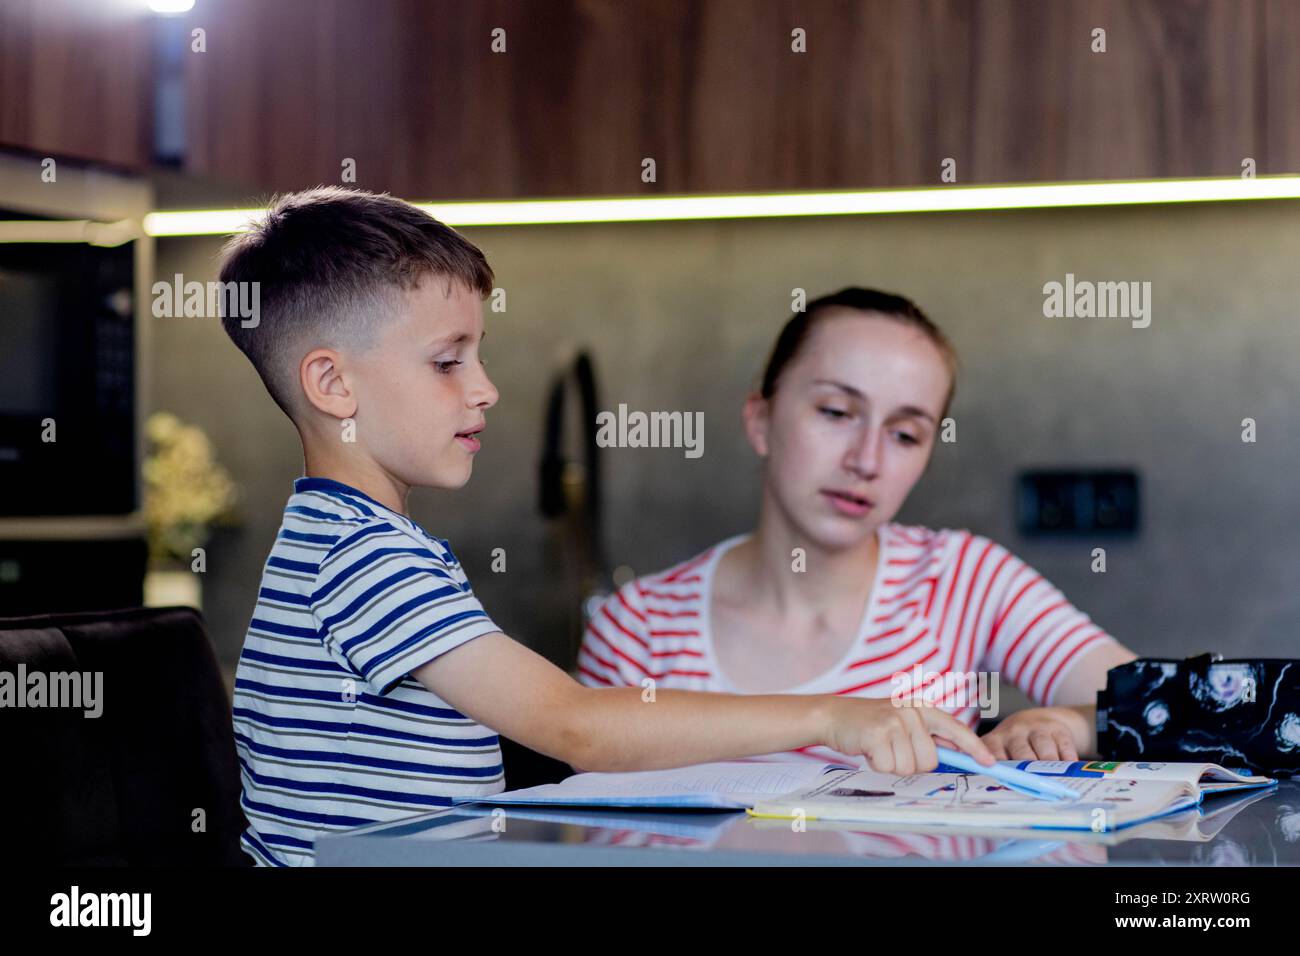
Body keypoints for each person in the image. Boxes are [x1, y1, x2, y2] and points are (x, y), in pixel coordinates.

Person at [219, 191, 993, 865]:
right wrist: (834, 713)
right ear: (332, 383)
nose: (485, 389)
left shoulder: (344, 541)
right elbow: (575, 726)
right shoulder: (362, 560)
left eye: (478, 356)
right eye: (448, 362)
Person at [579, 287, 1137, 766]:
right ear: (762, 420)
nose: (866, 460)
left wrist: (1065, 723)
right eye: (836, 412)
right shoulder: (637, 629)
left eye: (905, 434)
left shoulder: (964, 580)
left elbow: (1193, 706)